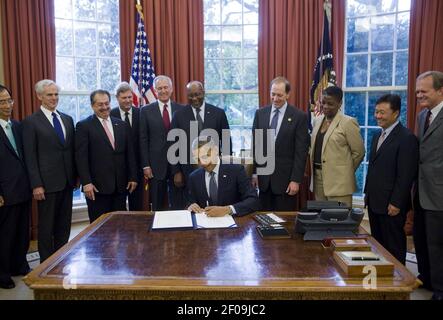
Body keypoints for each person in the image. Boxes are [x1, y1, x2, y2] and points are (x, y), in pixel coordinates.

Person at [22, 80, 77, 263]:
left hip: (67, 182)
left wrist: (75, 176)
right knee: (46, 228)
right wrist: (36, 184)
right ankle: (46, 266)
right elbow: (30, 156)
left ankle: (62, 260)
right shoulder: (31, 122)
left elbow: (71, 151)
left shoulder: (67, 119)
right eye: (49, 95)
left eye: (56, 94)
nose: (54, 98)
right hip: (46, 185)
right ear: (39, 96)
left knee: (63, 226)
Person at [364, 94, 418, 264]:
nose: (378, 116)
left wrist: (396, 202)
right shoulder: (376, 136)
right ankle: (382, 279)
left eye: (382, 112)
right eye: (376, 112)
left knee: (394, 246)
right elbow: (373, 169)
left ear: (395, 113)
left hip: (391, 205)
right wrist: (367, 194)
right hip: (374, 201)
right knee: (378, 245)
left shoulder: (406, 138)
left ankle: (398, 282)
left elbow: (406, 175)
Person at [75, 90, 138, 223]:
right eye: (100, 104)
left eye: (106, 103)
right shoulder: (84, 126)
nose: (104, 107)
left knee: (120, 224)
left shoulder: (121, 125)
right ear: (92, 106)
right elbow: (81, 157)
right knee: (99, 227)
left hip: (120, 186)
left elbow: (130, 153)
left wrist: (132, 176)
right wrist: (86, 182)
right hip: (97, 188)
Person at [252, 76, 309, 211]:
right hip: (264, 181)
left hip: (286, 182)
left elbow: (301, 152)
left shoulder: (299, 117)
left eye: (279, 95)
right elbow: (256, 146)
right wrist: (254, 173)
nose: (275, 99)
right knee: (263, 221)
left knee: (284, 223)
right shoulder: (260, 114)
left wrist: (295, 180)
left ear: (288, 95)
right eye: (273, 94)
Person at [171, 81, 231, 205]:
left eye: (197, 94)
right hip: (187, 169)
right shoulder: (179, 115)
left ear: (203, 93)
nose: (194, 98)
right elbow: (173, 145)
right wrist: (176, 171)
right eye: (190, 95)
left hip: (214, 167)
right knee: (191, 205)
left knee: (214, 201)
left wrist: (226, 167)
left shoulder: (218, 113)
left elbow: (226, 142)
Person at [310, 86, 365, 207]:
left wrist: (344, 171)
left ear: (340, 103)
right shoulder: (317, 121)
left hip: (340, 183)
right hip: (318, 179)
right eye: (323, 102)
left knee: (339, 222)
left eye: (330, 104)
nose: (325, 106)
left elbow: (359, 152)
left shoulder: (348, 122)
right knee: (321, 220)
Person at [414, 71, 443, 300]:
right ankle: (426, 276)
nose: (419, 95)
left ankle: (440, 290)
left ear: (440, 90)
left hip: (439, 191)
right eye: (417, 91)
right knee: (422, 238)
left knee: (438, 244)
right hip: (421, 191)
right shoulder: (422, 116)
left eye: (424, 91)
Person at [0, 85, 31, 289]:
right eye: (2, 101)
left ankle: (19, 265)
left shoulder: (18, 126)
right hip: (4, 192)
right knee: (4, 234)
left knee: (21, 231)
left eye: (9, 100)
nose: (7, 105)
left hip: (23, 189)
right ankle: (2, 274)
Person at [139, 76, 185, 210]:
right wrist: (146, 165)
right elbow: (143, 139)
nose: (163, 91)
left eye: (166, 87)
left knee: (178, 202)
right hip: (155, 164)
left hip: (178, 163)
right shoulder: (146, 111)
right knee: (157, 203)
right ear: (154, 90)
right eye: (160, 88)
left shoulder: (181, 109)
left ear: (171, 89)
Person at [187, 136, 260, 216]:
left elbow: (253, 200)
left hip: (234, 224)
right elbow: (191, 202)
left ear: (215, 150)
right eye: (198, 159)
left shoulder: (236, 171)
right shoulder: (194, 177)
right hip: (205, 225)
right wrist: (191, 206)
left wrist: (228, 210)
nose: (203, 163)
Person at [110, 82, 143, 211]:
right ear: (117, 98)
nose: (128, 100)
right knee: (119, 206)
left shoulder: (141, 113)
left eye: (130, 97)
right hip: (118, 169)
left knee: (137, 204)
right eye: (124, 98)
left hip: (138, 167)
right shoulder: (110, 115)